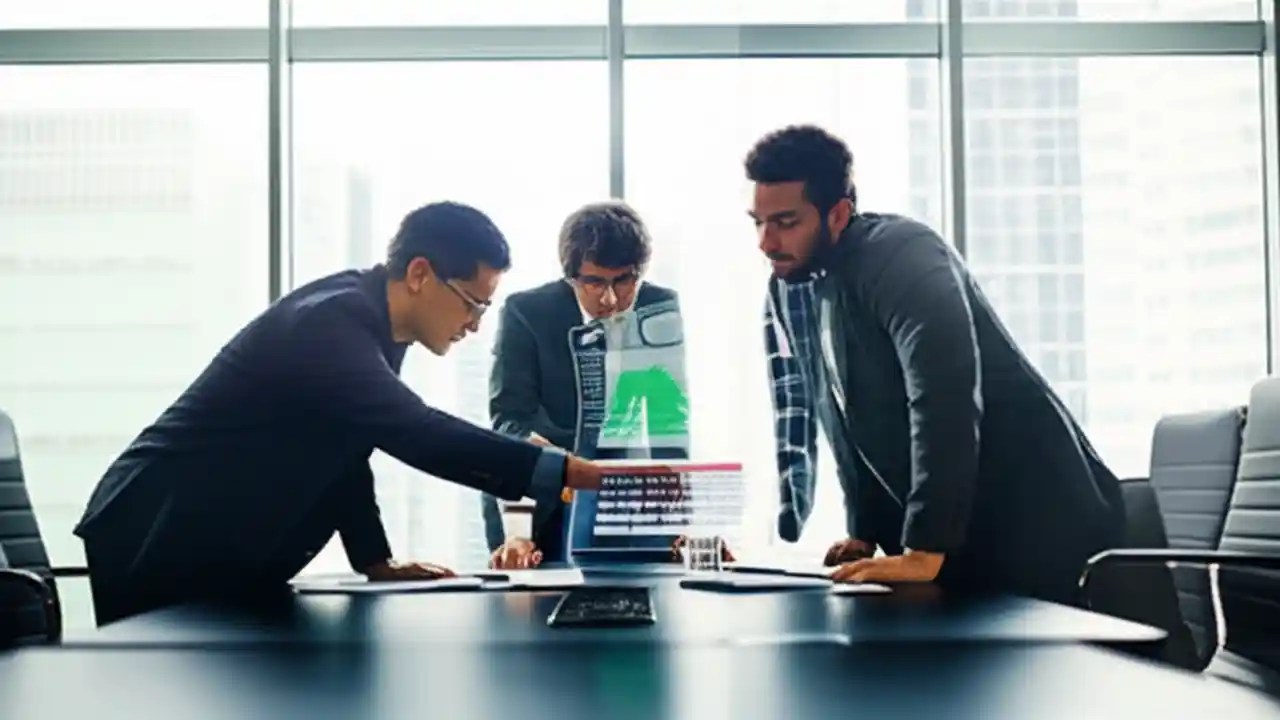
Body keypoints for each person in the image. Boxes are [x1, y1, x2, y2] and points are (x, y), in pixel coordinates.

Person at [73, 202, 602, 625]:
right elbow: (415, 431)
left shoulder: (372, 326)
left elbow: (345, 451)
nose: (474, 324)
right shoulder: (329, 325)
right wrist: (557, 470)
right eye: (472, 303)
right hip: (157, 531)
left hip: (211, 539)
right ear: (420, 273)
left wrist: (373, 560)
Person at [747, 125, 1125, 605]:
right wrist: (863, 529)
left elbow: (942, 394)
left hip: (1044, 529)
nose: (765, 242)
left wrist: (925, 548)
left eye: (785, 221)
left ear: (838, 213)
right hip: (970, 546)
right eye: (758, 222)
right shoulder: (803, 285)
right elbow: (841, 414)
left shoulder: (904, 253)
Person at [483, 201, 684, 569]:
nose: (609, 299)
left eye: (624, 280)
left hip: (625, 502)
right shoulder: (526, 312)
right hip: (539, 499)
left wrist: (679, 523)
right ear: (571, 276)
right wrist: (519, 527)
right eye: (594, 282)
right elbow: (510, 420)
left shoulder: (660, 306)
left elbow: (666, 423)